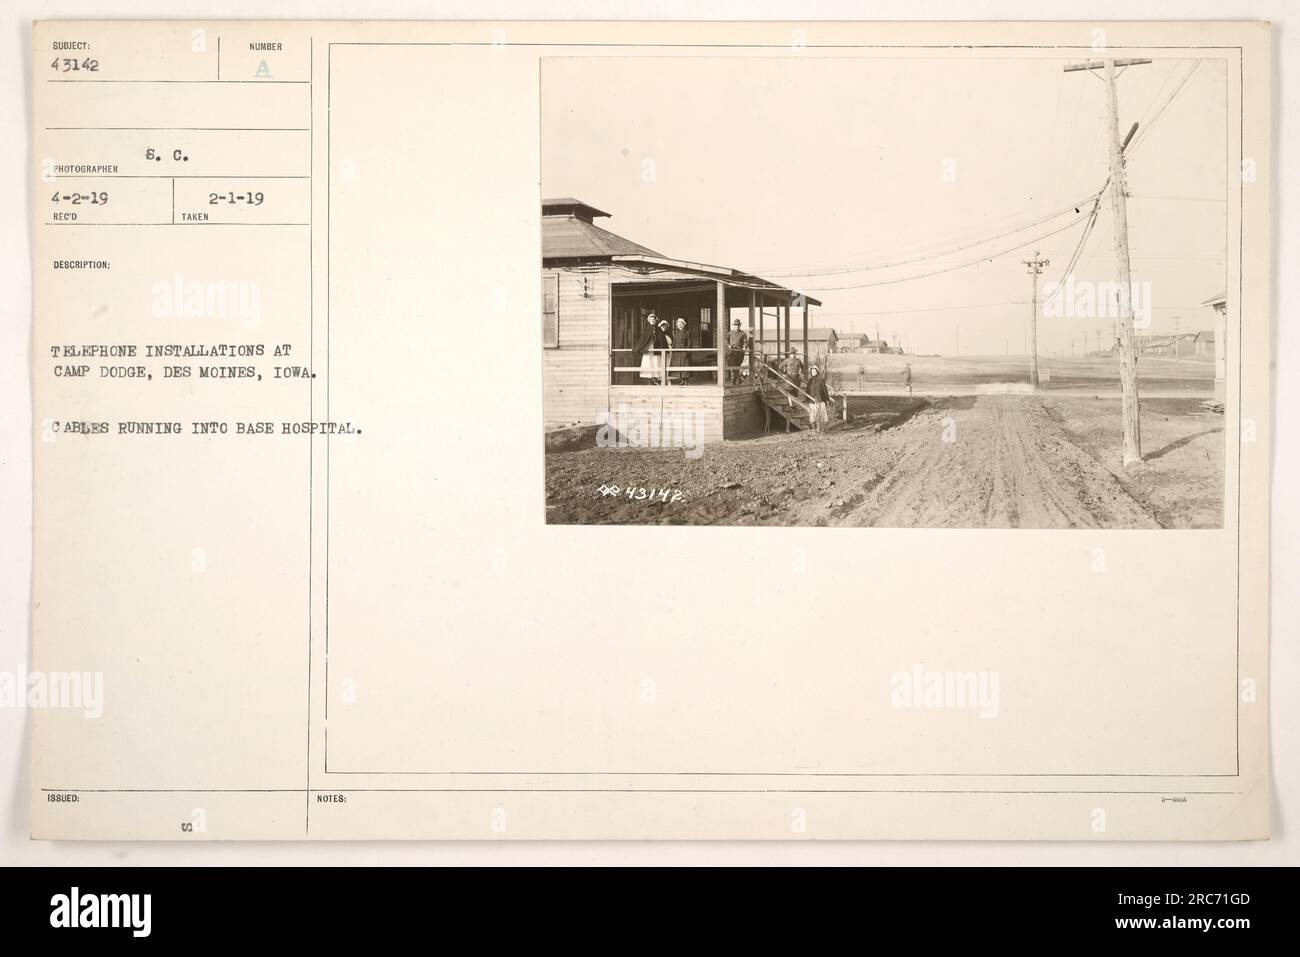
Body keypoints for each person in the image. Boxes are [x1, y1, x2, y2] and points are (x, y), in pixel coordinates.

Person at [806, 363, 832, 433]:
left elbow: (824, 390)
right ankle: (814, 430)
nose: (813, 372)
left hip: (820, 400)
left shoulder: (821, 380)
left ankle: (823, 430)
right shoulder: (810, 381)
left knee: (823, 415)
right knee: (812, 416)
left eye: (814, 371)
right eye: (812, 371)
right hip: (812, 401)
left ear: (817, 371)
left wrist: (827, 399)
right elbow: (807, 391)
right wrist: (807, 400)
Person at [634, 313, 658, 385]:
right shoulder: (646, 329)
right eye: (651, 319)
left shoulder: (658, 329)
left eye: (654, 319)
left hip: (656, 348)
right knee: (649, 362)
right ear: (649, 320)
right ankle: (649, 379)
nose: (653, 321)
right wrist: (638, 347)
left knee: (655, 362)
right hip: (648, 347)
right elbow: (643, 339)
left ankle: (655, 378)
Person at [726, 319, 749, 385]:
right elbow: (726, 339)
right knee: (731, 365)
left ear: (740, 326)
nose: (737, 326)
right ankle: (739, 379)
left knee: (737, 366)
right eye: (735, 325)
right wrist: (728, 345)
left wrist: (744, 347)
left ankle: (735, 381)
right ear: (734, 326)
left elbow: (746, 342)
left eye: (738, 325)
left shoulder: (743, 334)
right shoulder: (730, 333)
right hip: (732, 352)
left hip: (739, 353)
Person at [670, 317, 692, 384]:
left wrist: (687, 351)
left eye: (681, 324)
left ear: (684, 325)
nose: (680, 325)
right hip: (677, 352)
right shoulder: (676, 333)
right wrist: (673, 350)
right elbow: (674, 343)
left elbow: (689, 343)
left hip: (684, 351)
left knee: (684, 365)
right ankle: (681, 379)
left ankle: (685, 379)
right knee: (679, 365)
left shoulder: (687, 332)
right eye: (679, 324)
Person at [654, 318, 672, 384]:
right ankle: (661, 379)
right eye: (663, 326)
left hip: (669, 351)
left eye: (665, 326)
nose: (664, 327)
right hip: (661, 351)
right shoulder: (659, 333)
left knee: (667, 364)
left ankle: (666, 378)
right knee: (660, 364)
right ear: (660, 326)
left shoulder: (668, 333)